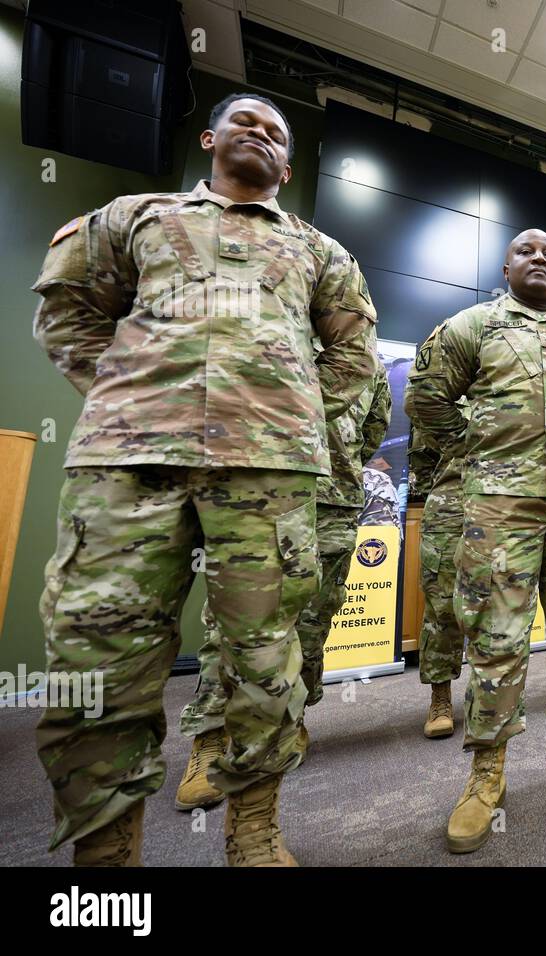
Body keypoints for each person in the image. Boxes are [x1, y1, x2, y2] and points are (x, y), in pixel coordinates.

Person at [32, 93, 378, 866]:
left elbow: (353, 355)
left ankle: (253, 826)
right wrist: (131, 398)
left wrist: (282, 412)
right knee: (100, 653)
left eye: (277, 133)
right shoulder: (137, 216)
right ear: (210, 137)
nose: (260, 132)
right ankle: (108, 854)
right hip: (128, 464)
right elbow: (68, 310)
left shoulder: (321, 252)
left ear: (288, 167)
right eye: (246, 121)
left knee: (263, 657)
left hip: (268, 473)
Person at [408, 229, 546, 855]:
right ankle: (488, 773)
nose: (540, 258)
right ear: (505, 266)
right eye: (527, 251)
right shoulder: (472, 326)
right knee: (496, 635)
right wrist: (480, 446)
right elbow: (425, 399)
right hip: (499, 506)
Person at [176, 360, 389, 807]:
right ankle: (211, 739)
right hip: (259, 490)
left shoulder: (366, 359)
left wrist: (337, 463)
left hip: (332, 499)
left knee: (315, 620)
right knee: (233, 622)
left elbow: (373, 427)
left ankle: (290, 722)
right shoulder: (271, 331)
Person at [410, 378, 470, 740]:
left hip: (503, 507)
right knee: (442, 606)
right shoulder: (442, 398)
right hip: (450, 507)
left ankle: (493, 693)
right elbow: (422, 457)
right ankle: (441, 697)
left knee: (500, 607)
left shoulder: (506, 389)